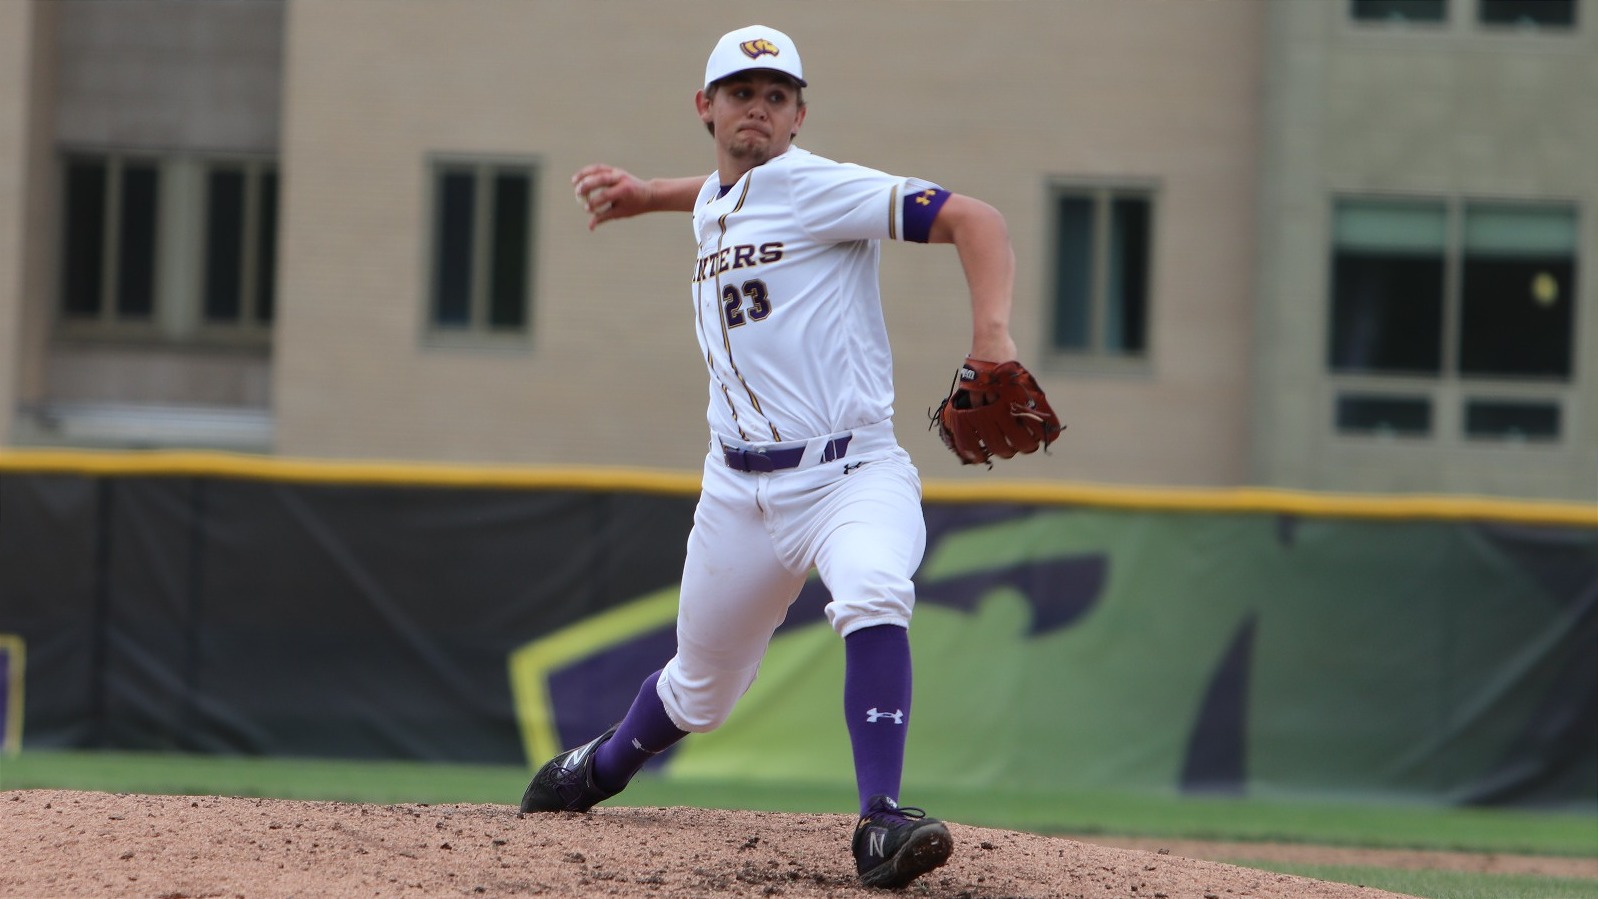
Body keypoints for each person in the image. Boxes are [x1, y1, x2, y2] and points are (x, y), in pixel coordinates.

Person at [521, 24, 1044, 890]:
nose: (755, 109)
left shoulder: (817, 187)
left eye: (774, 97)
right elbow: (715, 194)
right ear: (707, 108)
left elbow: (973, 220)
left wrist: (991, 334)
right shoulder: (718, 198)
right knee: (699, 694)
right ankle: (605, 765)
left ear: (799, 117)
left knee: (874, 588)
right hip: (737, 489)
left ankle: (881, 821)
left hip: (851, 475)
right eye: (739, 93)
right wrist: (646, 193)